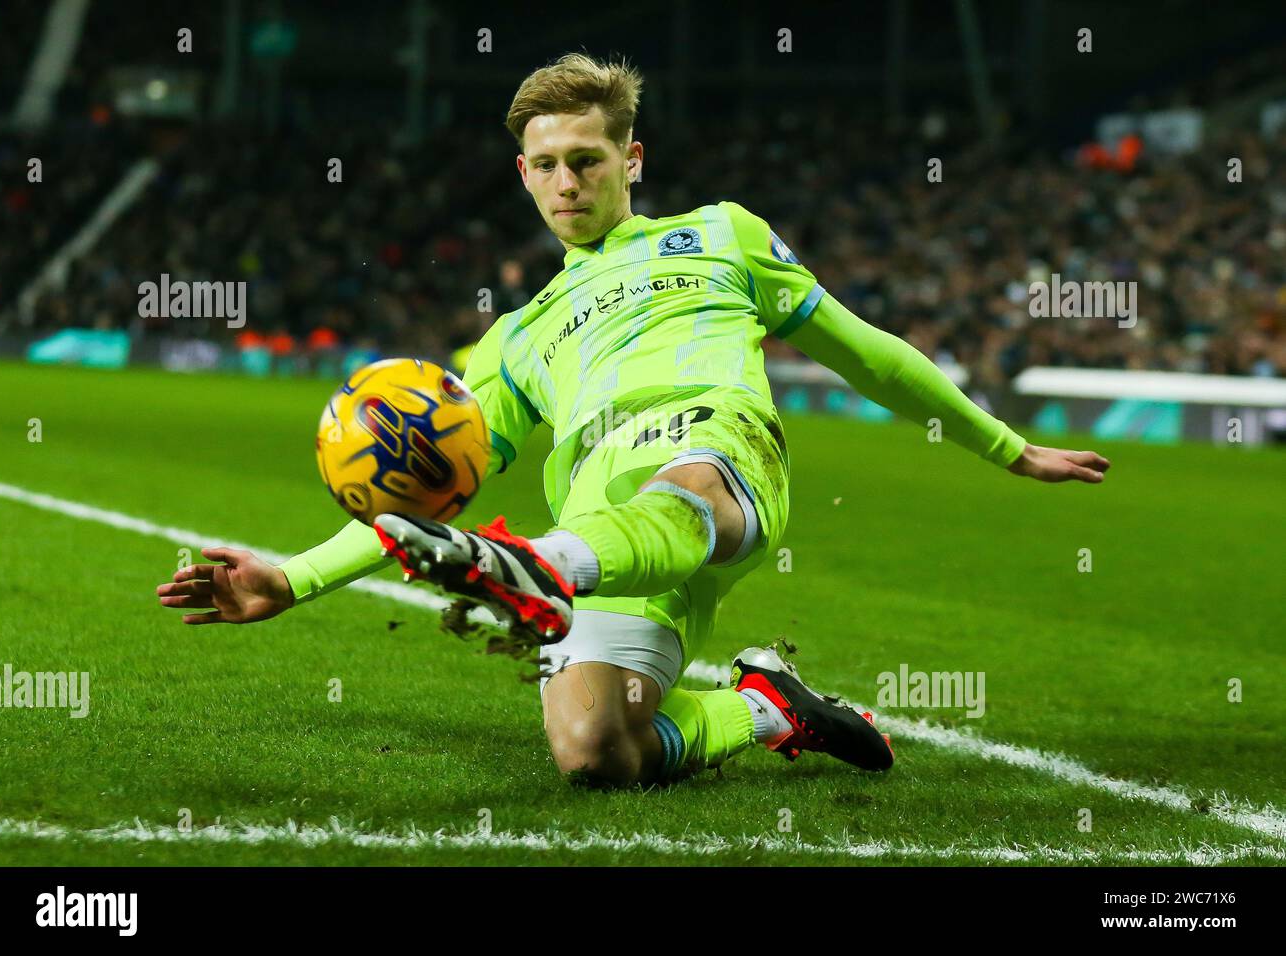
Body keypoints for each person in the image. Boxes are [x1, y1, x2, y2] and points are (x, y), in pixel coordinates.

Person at [157, 53, 1110, 788]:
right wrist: (293, 578)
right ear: (522, 175)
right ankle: (767, 709)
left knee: (683, 476)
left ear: (631, 159)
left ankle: (541, 568)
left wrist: (1006, 445)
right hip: (601, 534)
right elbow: (426, 495)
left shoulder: (722, 234)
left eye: (586, 160)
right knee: (594, 753)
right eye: (546, 167)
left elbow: (866, 348)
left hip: (716, 451)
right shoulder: (515, 339)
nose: (566, 183)